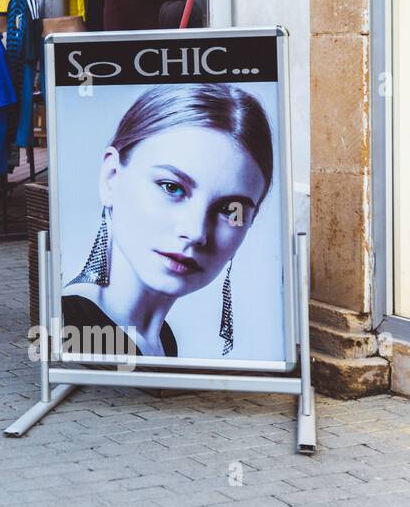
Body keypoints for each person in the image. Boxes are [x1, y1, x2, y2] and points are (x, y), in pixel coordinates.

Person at [62, 84, 274, 359]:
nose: (195, 232)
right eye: (171, 187)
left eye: (230, 209)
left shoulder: (161, 339)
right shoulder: (72, 326)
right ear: (111, 176)